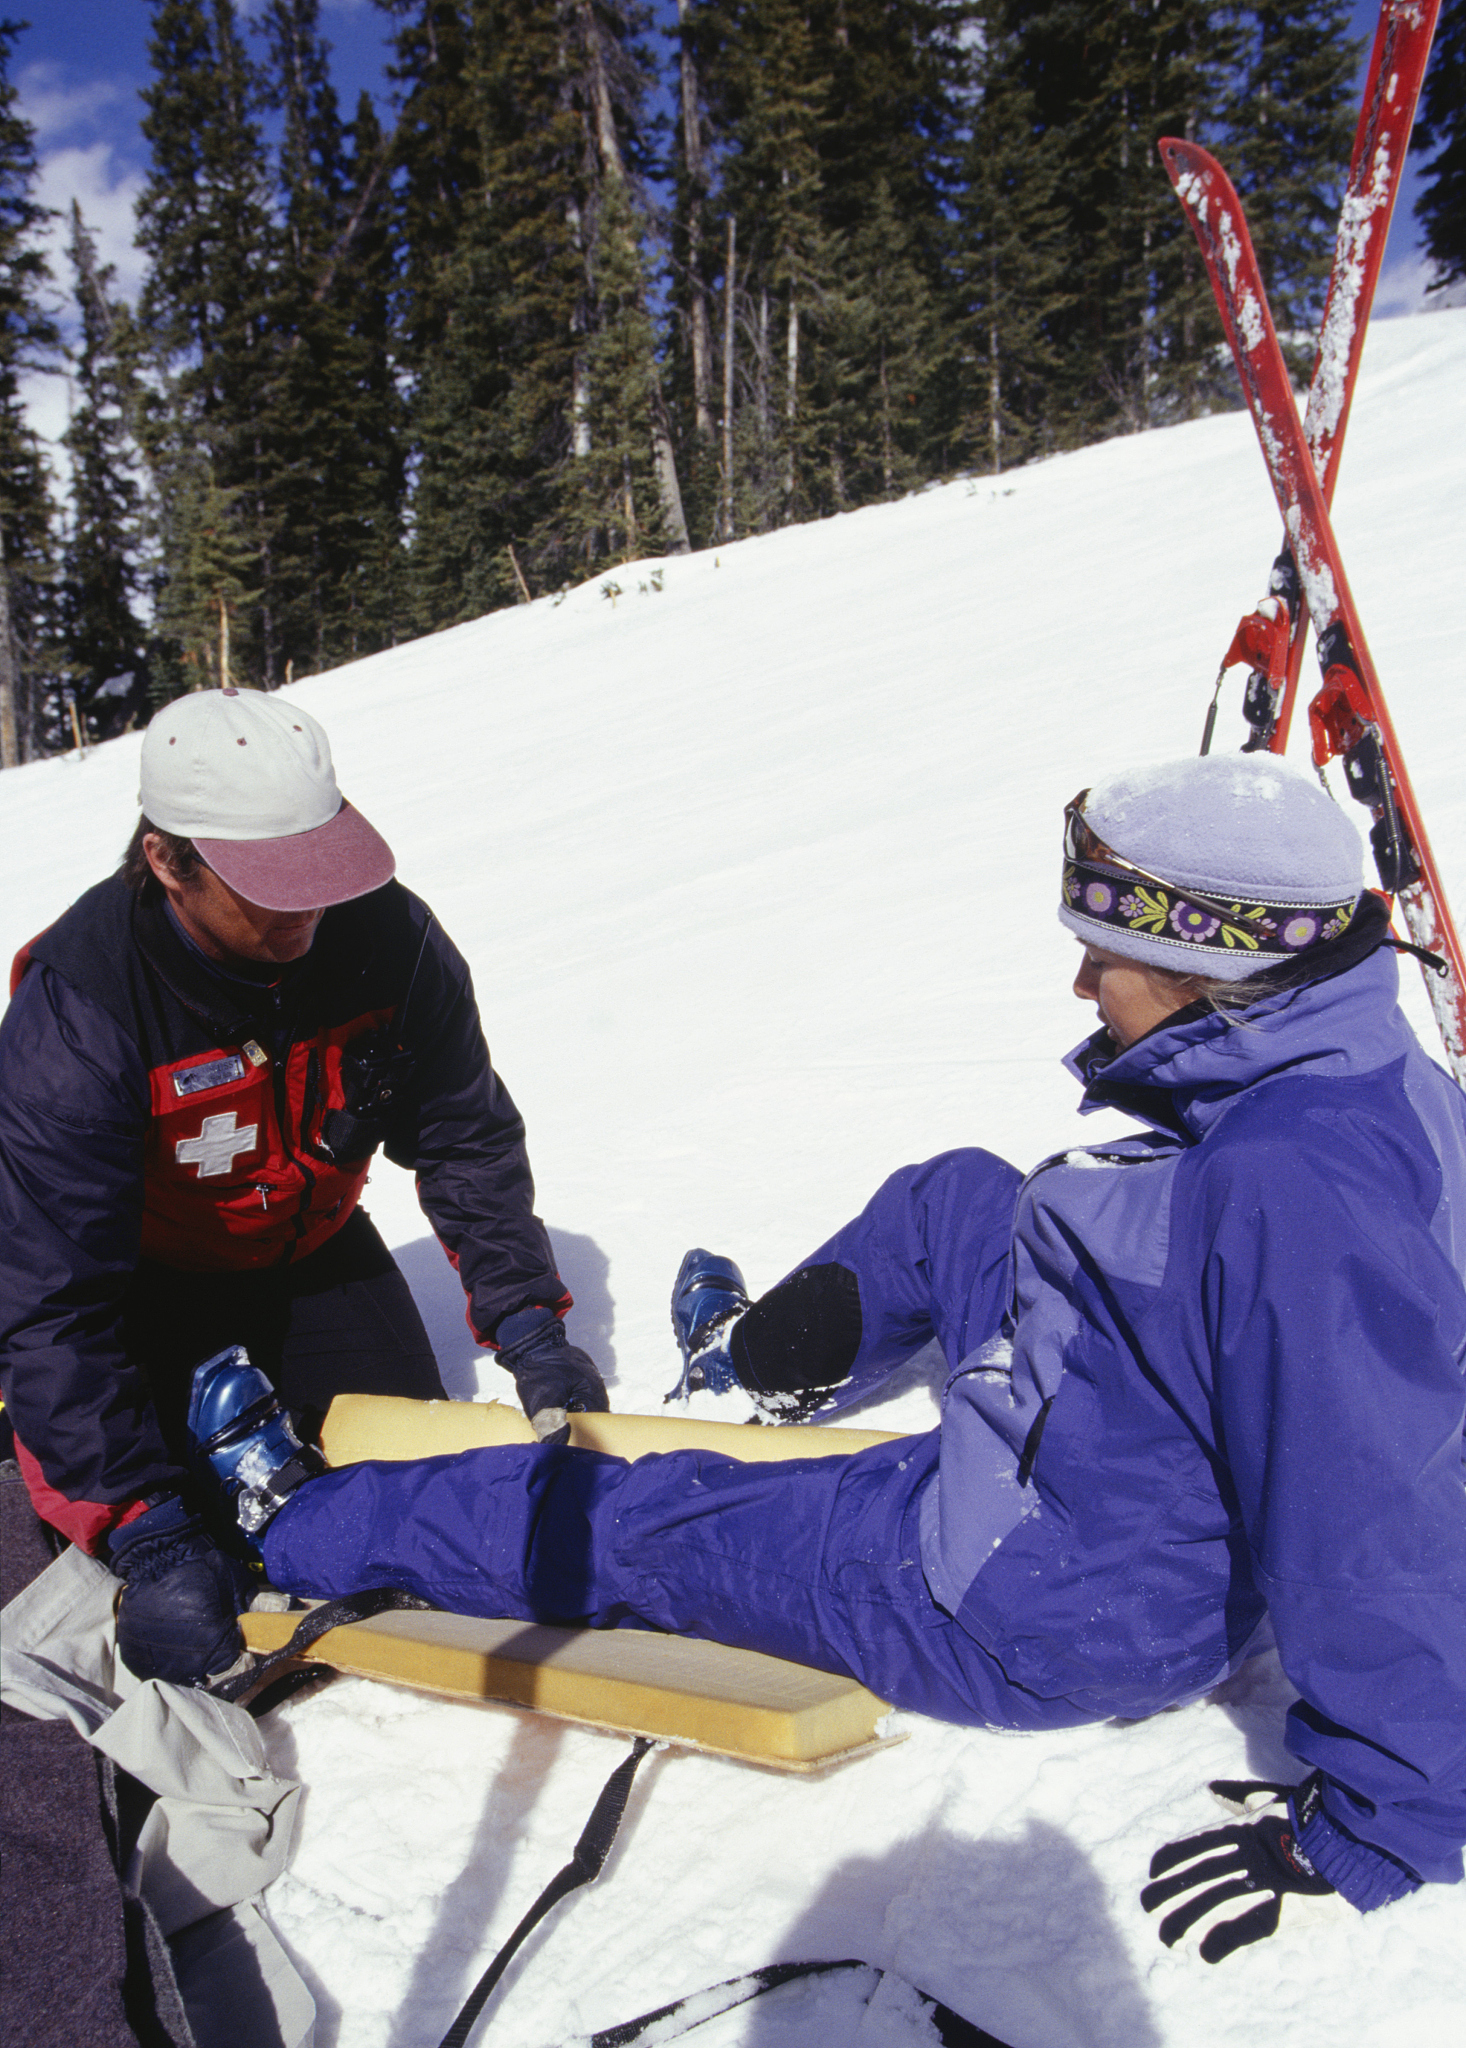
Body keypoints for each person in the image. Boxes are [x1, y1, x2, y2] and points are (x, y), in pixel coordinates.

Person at [189, 754, 1466, 1957]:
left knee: (639, 1514)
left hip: (1028, 1597)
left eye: (1105, 957)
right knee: (960, 1198)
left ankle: (297, 1514)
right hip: (1101, 1435)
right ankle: (746, 1374)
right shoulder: (1369, 1068)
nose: (1084, 988)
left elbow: (1369, 1502)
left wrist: (1386, 1813)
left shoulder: (1286, 1190)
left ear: (1204, 969)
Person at [0, 686, 606, 1686]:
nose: (308, 913)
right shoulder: (84, 1018)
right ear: (166, 860)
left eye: (319, 875)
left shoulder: (389, 941)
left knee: (400, 1485)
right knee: (191, 1540)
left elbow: (464, 1138)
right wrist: (144, 1533)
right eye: (270, 888)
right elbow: (51, 1303)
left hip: (306, 1250)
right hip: (139, 1285)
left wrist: (530, 1324)